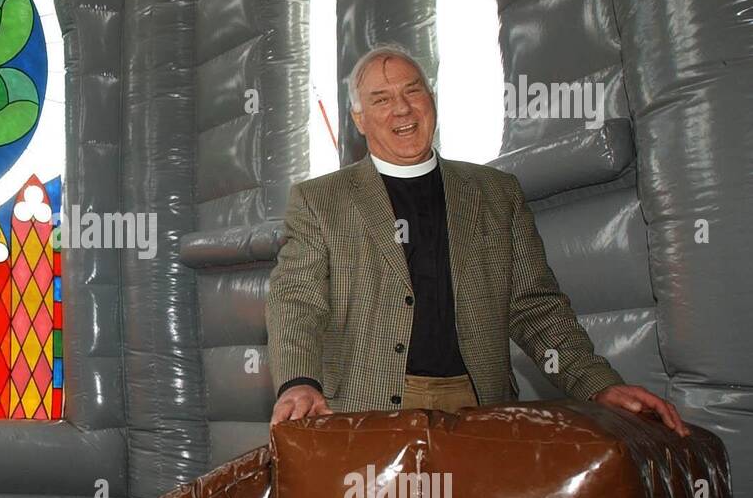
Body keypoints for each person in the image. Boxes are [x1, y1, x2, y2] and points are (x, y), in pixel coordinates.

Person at [267, 44, 686, 435]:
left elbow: (535, 306)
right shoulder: (319, 200)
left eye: (413, 91)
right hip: (362, 412)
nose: (402, 109)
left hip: (478, 409)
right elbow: (297, 302)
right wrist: (299, 382)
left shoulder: (495, 192)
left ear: (431, 100)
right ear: (359, 119)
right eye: (381, 99)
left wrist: (598, 386)